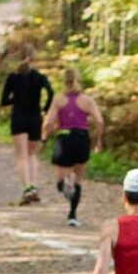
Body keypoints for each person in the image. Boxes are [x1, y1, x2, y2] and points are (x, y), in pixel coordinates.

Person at [41, 68, 103, 228]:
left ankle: (64, 186)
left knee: (60, 180)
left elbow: (47, 122)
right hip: (82, 139)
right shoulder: (87, 100)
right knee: (78, 179)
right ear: (78, 80)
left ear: (64, 81)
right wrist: (98, 140)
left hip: (64, 138)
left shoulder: (58, 99)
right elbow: (99, 121)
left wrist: (44, 137)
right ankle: (72, 215)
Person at [0, 50, 54, 205]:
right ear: (33, 60)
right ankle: (34, 186)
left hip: (19, 118)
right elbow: (51, 92)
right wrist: (45, 108)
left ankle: (27, 188)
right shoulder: (39, 77)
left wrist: (16, 99)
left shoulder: (13, 77)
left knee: (21, 155)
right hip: (35, 118)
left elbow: (4, 100)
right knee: (31, 154)